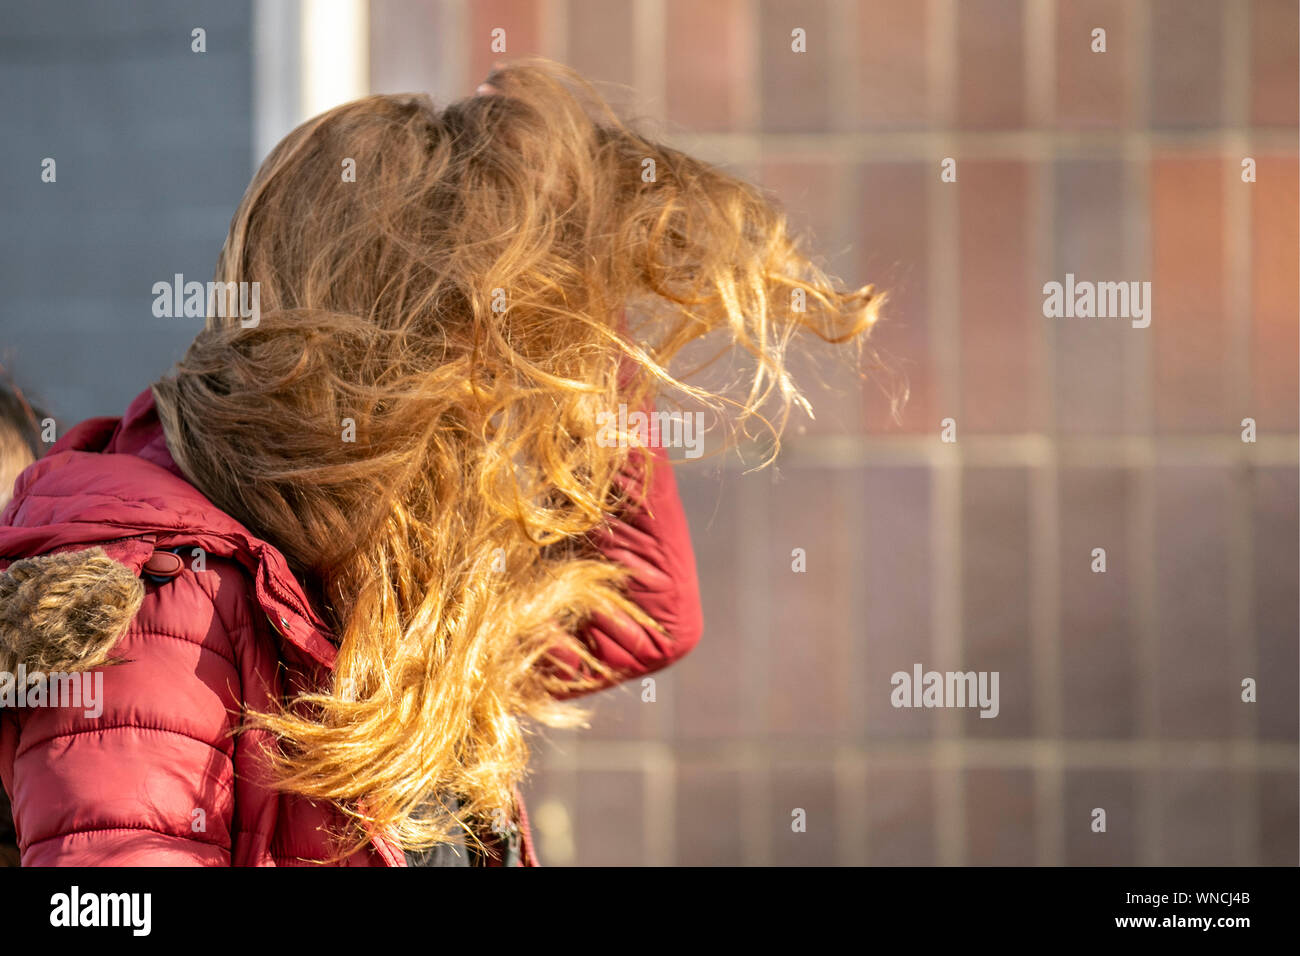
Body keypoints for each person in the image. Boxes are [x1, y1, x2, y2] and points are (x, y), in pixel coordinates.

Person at [0, 61, 880, 866]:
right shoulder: (168, 594)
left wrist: (587, 285)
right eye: (494, 355)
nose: (507, 410)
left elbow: (641, 604)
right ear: (400, 360)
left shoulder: (392, 584)